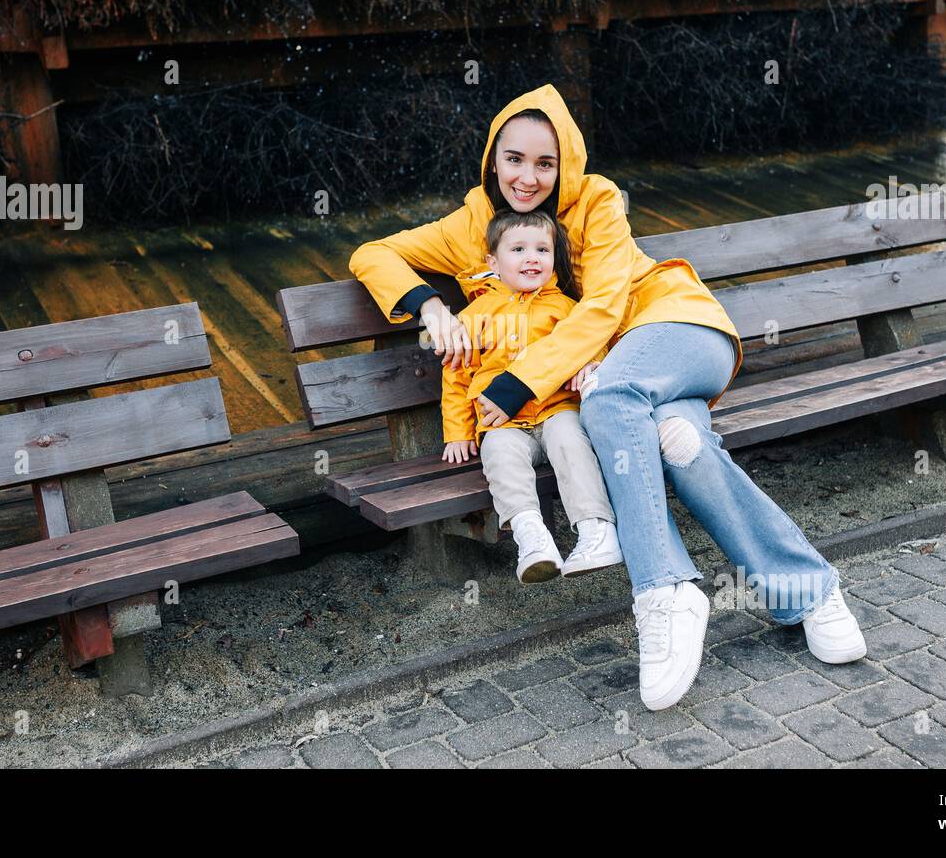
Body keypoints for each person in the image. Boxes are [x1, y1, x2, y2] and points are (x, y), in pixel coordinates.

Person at [350, 83, 866, 712]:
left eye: (547, 163)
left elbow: (602, 308)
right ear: (493, 158)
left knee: (608, 399)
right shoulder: (467, 227)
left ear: (567, 162)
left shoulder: (597, 201)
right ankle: (808, 590)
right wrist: (431, 306)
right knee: (682, 446)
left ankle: (664, 591)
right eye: (514, 159)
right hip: (612, 376)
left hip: (675, 330)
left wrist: (516, 386)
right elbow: (371, 253)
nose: (529, 178)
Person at [440, 207, 621, 584]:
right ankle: (532, 538)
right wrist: (457, 432)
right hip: (502, 423)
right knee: (499, 457)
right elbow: (457, 376)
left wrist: (591, 362)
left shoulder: (565, 307)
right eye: (518, 250)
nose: (532, 258)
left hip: (557, 411)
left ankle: (595, 531)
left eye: (542, 249)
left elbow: (591, 341)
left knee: (574, 445)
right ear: (493, 260)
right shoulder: (475, 315)